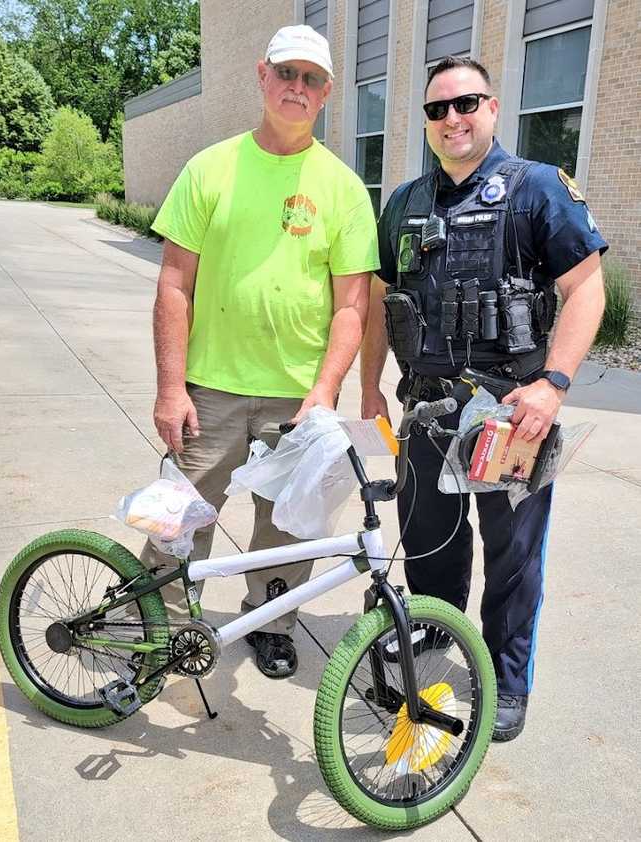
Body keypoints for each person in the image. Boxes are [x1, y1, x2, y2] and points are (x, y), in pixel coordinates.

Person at [360, 56, 606, 740]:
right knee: (429, 543)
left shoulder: (538, 191)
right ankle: (436, 634)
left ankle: (504, 678)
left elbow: (586, 289)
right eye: (437, 110)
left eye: (465, 104)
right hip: (425, 408)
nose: (452, 120)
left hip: (510, 413)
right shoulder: (406, 202)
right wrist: (370, 386)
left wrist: (553, 386)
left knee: (512, 557)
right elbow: (384, 300)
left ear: (492, 108)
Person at [143, 25, 379, 679]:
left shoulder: (342, 188)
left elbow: (352, 306)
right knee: (177, 517)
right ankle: (161, 625)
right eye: (287, 74)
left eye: (311, 79)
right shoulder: (210, 168)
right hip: (208, 387)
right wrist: (170, 387)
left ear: (327, 92)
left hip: (297, 395)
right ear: (262, 75)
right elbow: (173, 284)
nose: (296, 88)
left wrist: (326, 389)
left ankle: (271, 622)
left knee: (288, 523)